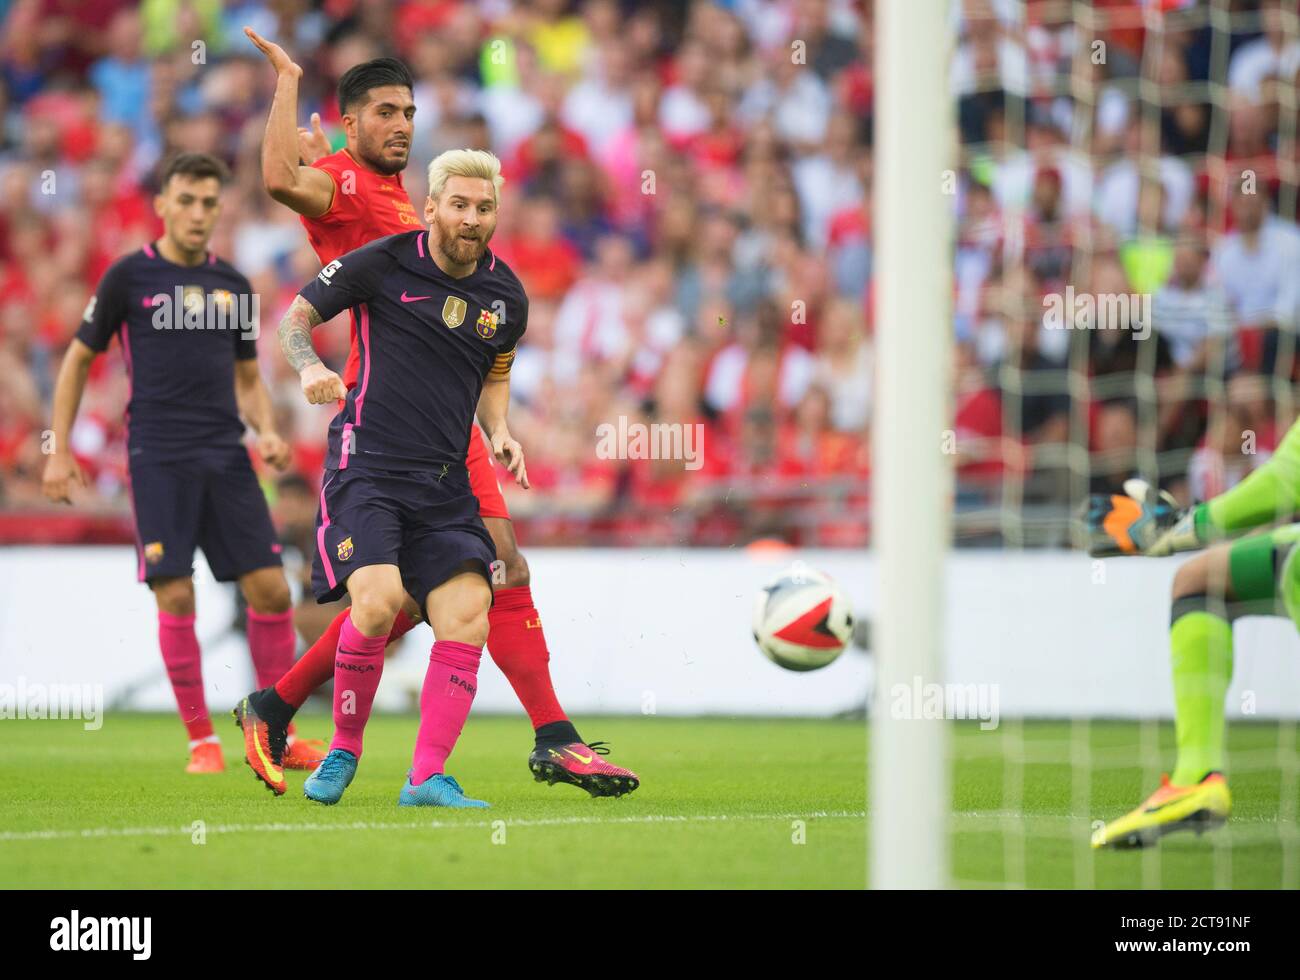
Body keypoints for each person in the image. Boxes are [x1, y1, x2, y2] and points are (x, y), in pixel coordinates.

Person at [233, 29, 638, 799]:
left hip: (449, 415)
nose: (403, 124)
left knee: (445, 589)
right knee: (494, 568)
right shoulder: (349, 186)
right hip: (394, 417)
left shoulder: (399, 195)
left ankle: (275, 705)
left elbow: (489, 338)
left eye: (409, 111)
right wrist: (287, 80)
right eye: (384, 111)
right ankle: (555, 738)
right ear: (351, 123)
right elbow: (284, 178)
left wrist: (501, 423)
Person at [41, 152, 324, 775]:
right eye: (186, 201)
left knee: (272, 590)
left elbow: (249, 378)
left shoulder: (233, 285)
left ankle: (276, 733)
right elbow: (77, 361)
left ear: (218, 210)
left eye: (208, 203)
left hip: (226, 454)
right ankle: (202, 741)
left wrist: (267, 431)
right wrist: (58, 448)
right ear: (163, 205)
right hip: (158, 457)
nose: (198, 214)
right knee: (175, 597)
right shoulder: (126, 279)